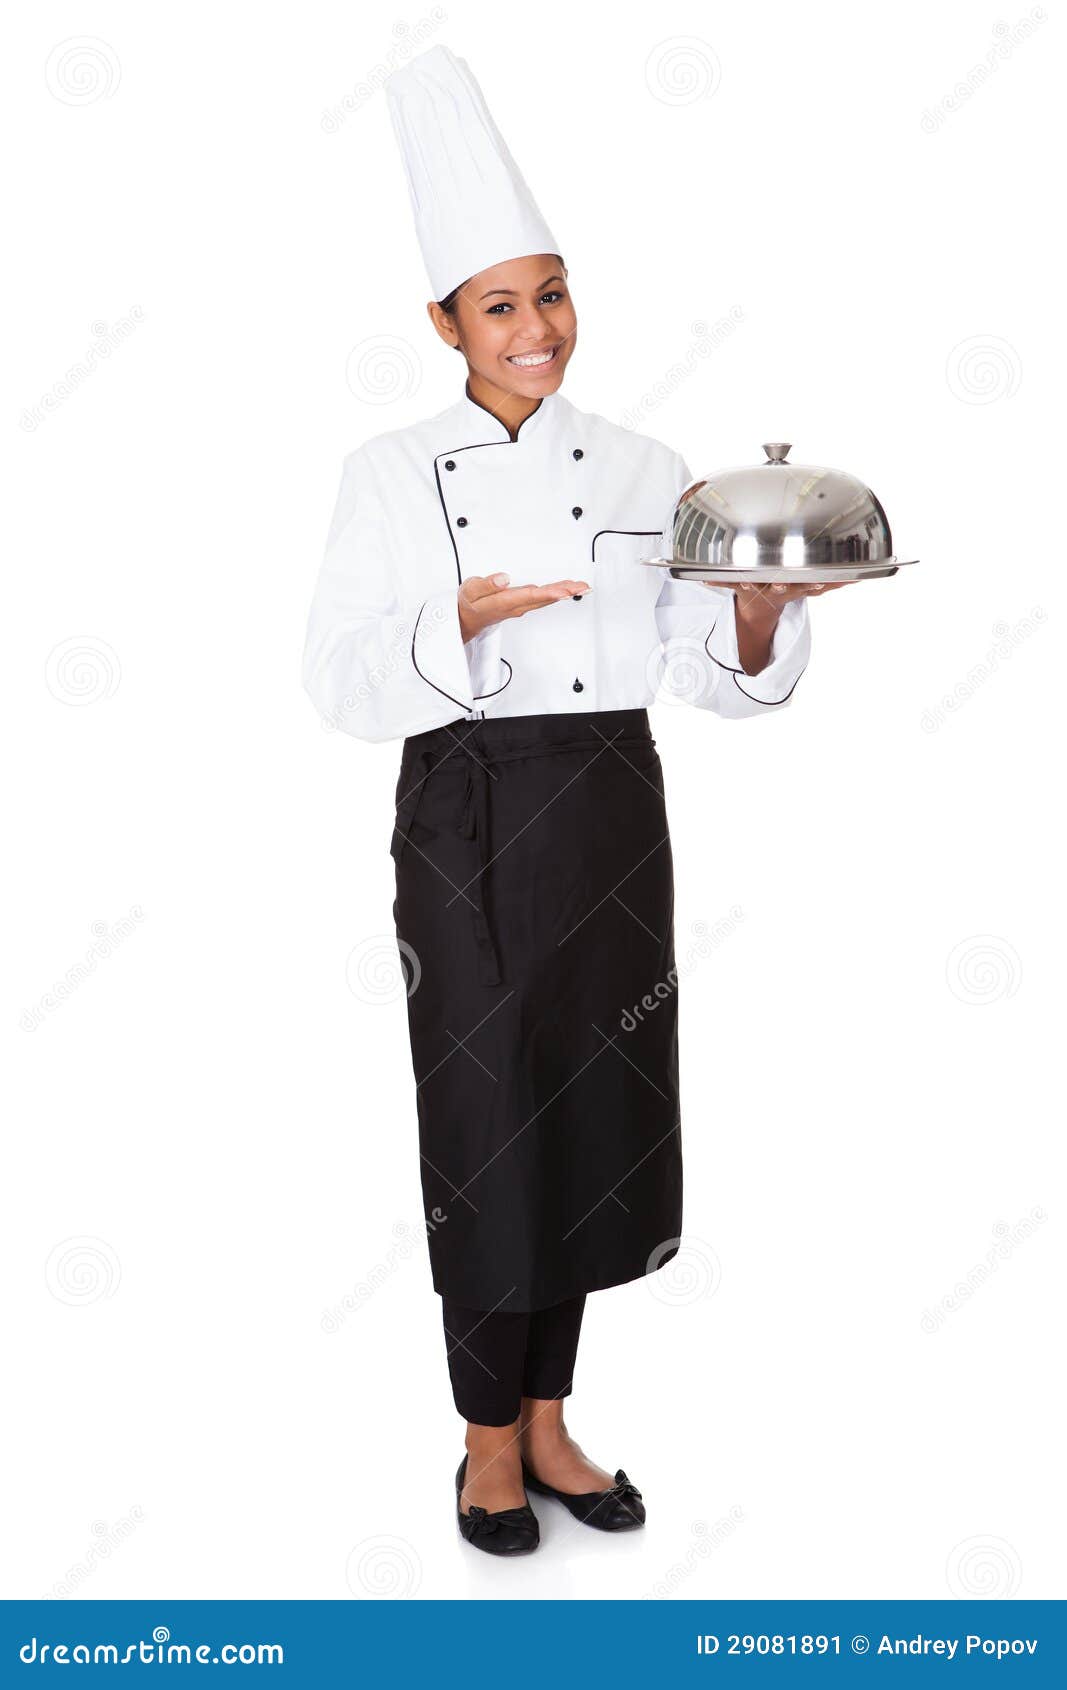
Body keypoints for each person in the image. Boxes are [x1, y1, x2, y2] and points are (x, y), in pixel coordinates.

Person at [302, 44, 847, 1557]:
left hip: (612, 804)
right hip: (466, 815)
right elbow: (336, 680)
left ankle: (552, 1424)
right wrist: (458, 619)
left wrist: (754, 615)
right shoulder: (388, 473)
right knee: (485, 1126)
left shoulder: (649, 464)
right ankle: (484, 1441)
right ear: (443, 323)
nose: (536, 329)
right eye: (499, 305)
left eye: (551, 294)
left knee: (595, 1114)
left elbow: (715, 671)